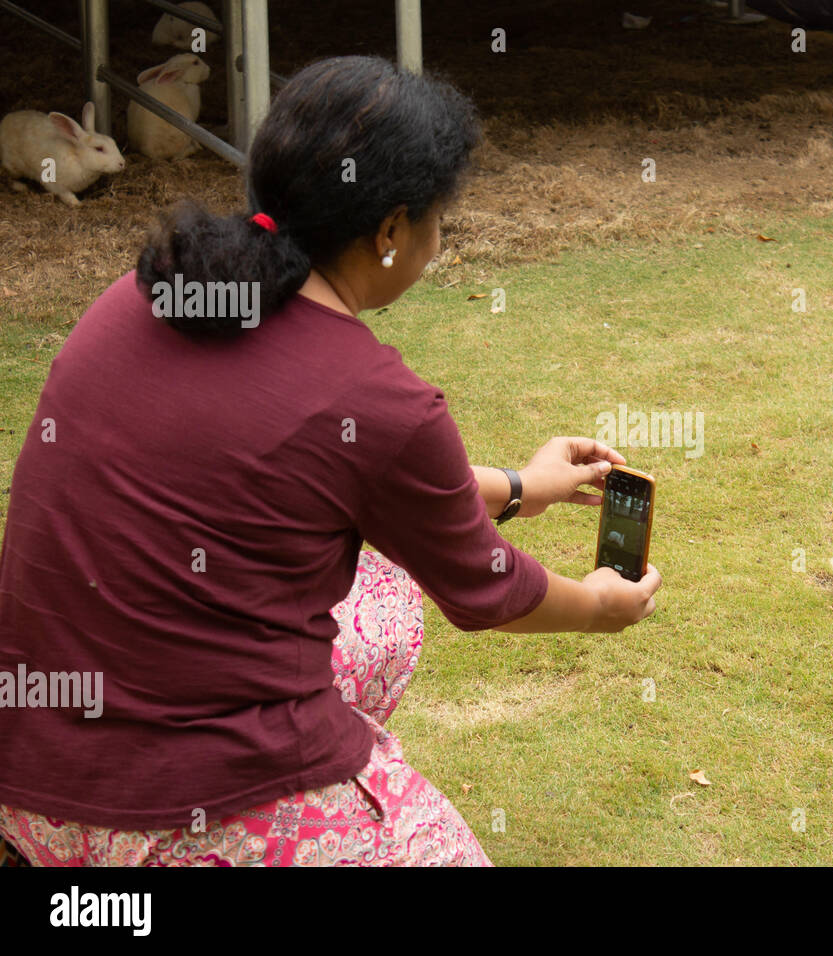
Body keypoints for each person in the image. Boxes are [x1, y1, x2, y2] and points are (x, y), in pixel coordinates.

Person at [0, 56, 661, 866]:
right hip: (162, 815)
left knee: (385, 596)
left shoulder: (148, 295)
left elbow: (325, 480)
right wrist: (599, 605)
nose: (436, 243)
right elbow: (490, 591)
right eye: (435, 223)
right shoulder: (376, 396)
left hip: (28, 763)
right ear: (390, 231)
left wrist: (524, 488)